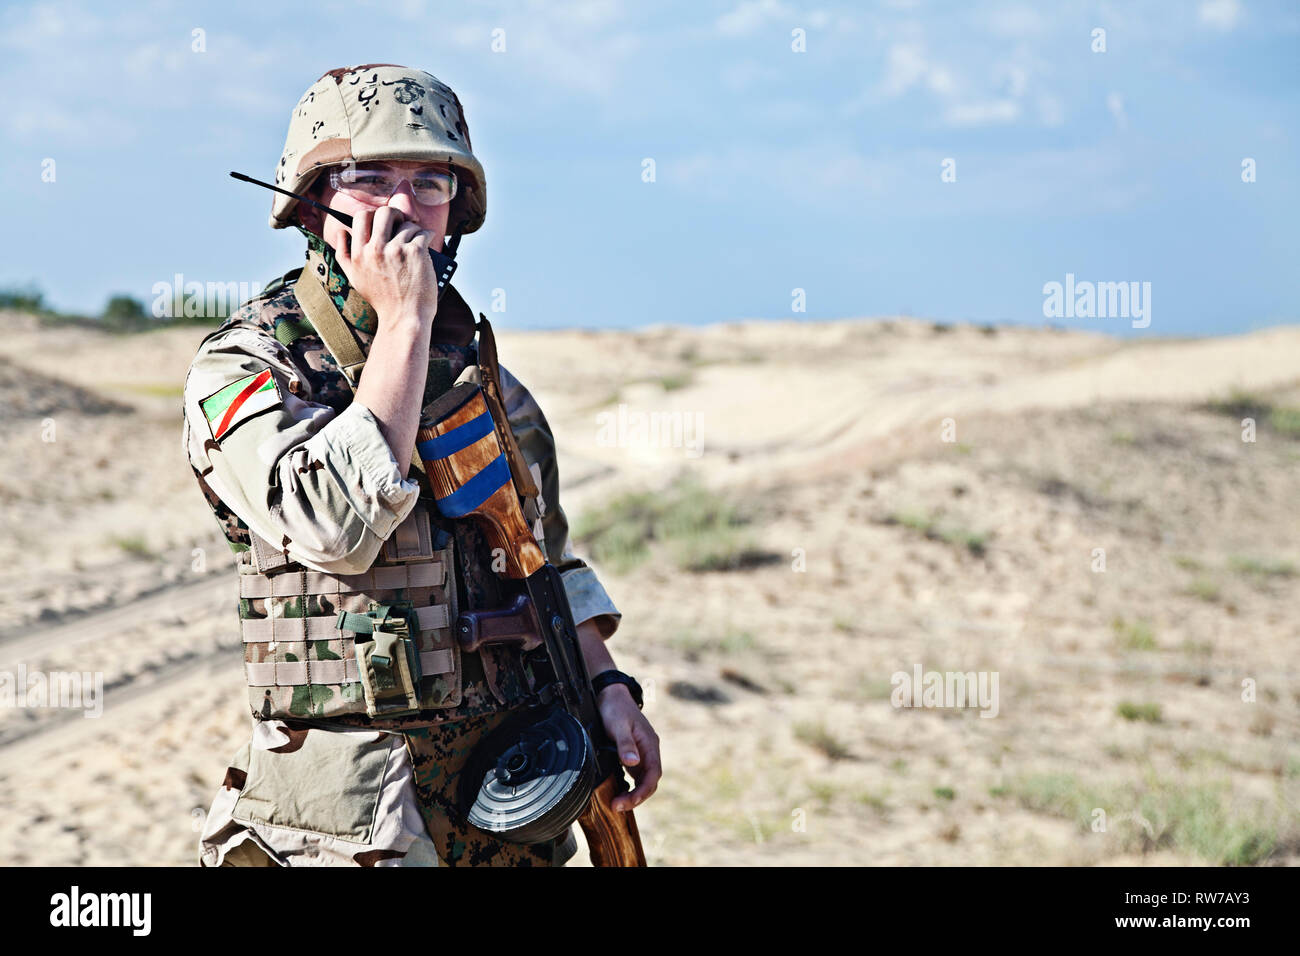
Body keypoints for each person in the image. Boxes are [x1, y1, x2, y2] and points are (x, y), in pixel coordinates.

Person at [182, 64, 660, 866]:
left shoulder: (482, 377)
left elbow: (543, 561)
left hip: (507, 798)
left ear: (456, 212)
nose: (403, 207)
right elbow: (333, 527)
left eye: (430, 182)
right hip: (346, 824)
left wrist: (610, 688)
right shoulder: (249, 368)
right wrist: (403, 320)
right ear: (311, 203)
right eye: (369, 180)